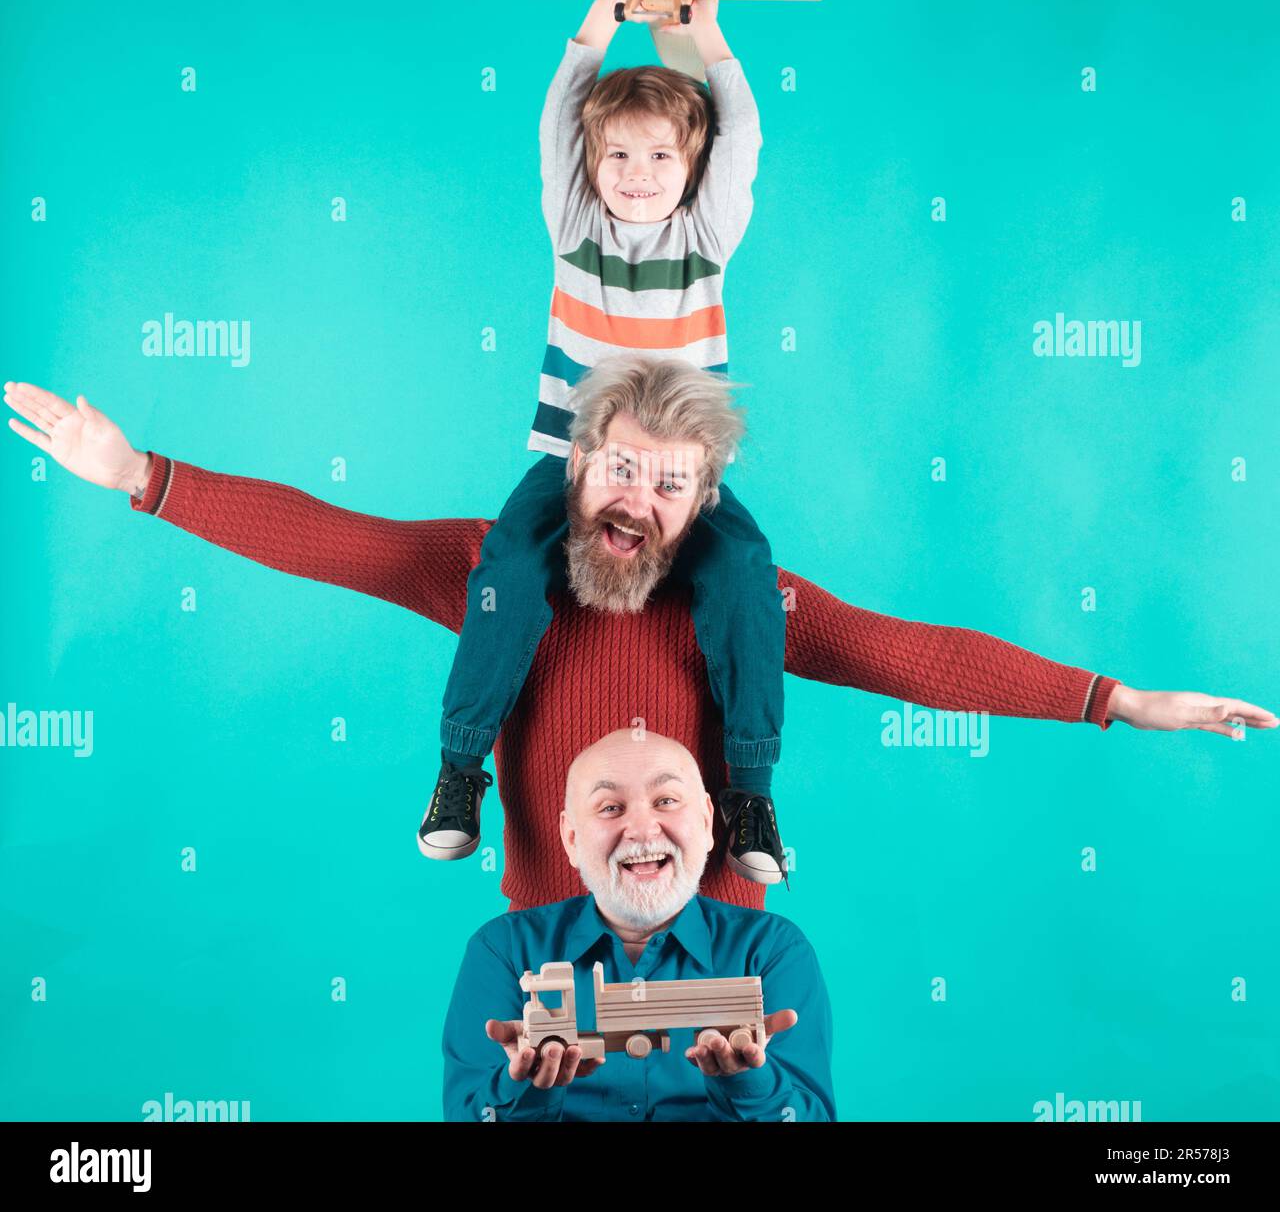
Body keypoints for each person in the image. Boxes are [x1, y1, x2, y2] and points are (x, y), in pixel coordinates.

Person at [6, 361, 1273, 913]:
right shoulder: (486, 571)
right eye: (617, 469)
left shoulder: (746, 608)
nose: (635, 500)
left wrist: (1121, 700)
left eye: (667, 483)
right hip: (547, 949)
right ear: (578, 469)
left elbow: (915, 656)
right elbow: (326, 535)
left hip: (722, 950)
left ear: (701, 500)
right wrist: (141, 473)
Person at [433, 0, 791, 887]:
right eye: (618, 154)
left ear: (691, 164)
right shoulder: (575, 230)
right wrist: (598, 21)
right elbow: (559, 116)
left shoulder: (706, 238)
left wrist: (705, 33)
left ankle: (749, 789)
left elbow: (742, 132)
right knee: (506, 568)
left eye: (661, 154)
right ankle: (460, 767)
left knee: (748, 573)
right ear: (590, 166)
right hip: (571, 466)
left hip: (681, 478)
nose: (638, 172)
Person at [441, 728, 835, 1123]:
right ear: (571, 838)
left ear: (705, 822)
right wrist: (522, 1090)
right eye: (610, 807)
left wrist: (750, 1083)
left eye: (666, 800)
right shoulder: (502, 949)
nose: (644, 830)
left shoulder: (774, 951)